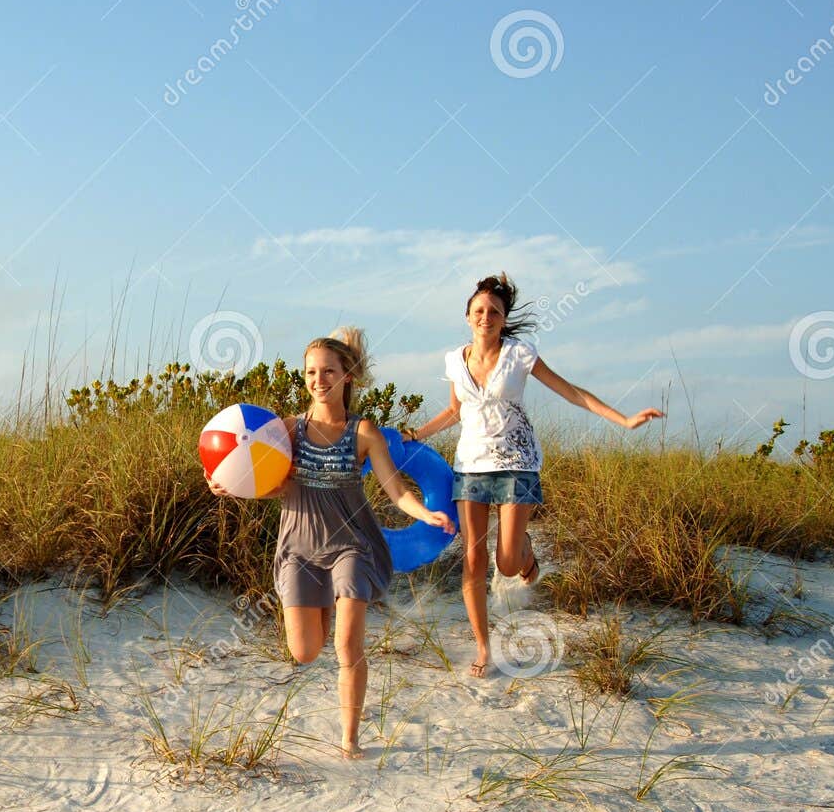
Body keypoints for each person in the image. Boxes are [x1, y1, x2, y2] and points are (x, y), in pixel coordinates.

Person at [206, 329, 455, 757]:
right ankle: (321, 603)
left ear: (347, 376)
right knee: (304, 651)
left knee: (346, 646)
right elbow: (277, 488)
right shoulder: (286, 430)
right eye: (310, 372)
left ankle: (350, 738)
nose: (318, 380)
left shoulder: (363, 433)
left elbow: (396, 490)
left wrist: (425, 513)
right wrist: (234, 488)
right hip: (300, 547)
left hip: (351, 547)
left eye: (328, 371)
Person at [402, 273, 664, 678]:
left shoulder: (520, 354)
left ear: (504, 319)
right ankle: (484, 647)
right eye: (478, 311)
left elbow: (570, 391)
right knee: (472, 560)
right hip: (470, 464)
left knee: (505, 564)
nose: (485, 317)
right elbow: (455, 411)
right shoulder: (456, 359)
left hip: (518, 463)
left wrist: (624, 419)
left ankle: (523, 550)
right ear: (468, 317)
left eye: (493, 311)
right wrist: (415, 434)